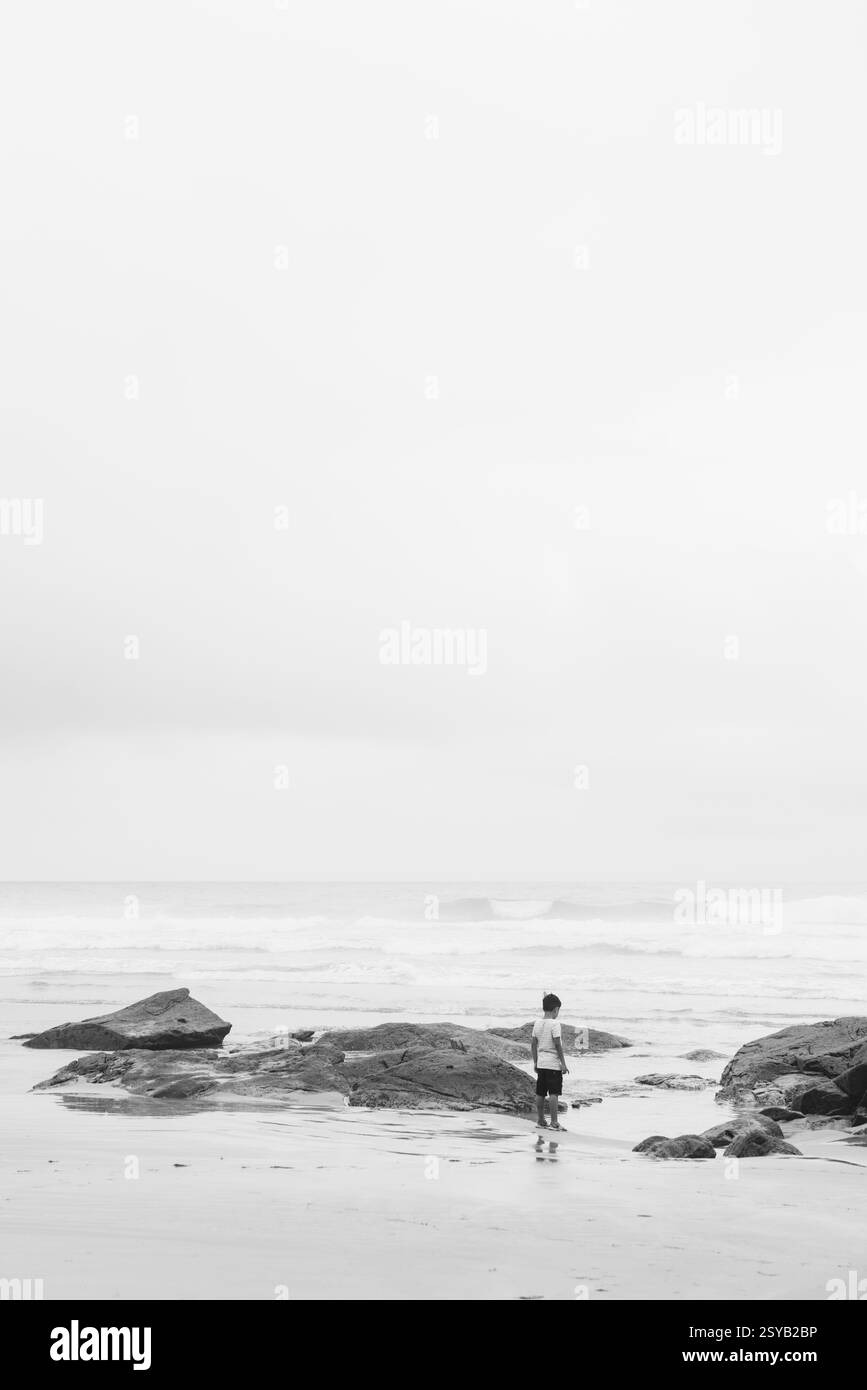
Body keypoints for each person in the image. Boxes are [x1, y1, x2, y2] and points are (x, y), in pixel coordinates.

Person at [531, 992, 568, 1130]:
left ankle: (541, 1120)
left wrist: (535, 1062)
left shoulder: (537, 1023)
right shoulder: (555, 1024)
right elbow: (557, 1044)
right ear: (556, 1010)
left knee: (540, 1092)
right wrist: (563, 1063)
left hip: (541, 1063)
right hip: (552, 1064)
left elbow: (533, 1044)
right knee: (554, 1093)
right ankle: (554, 1122)